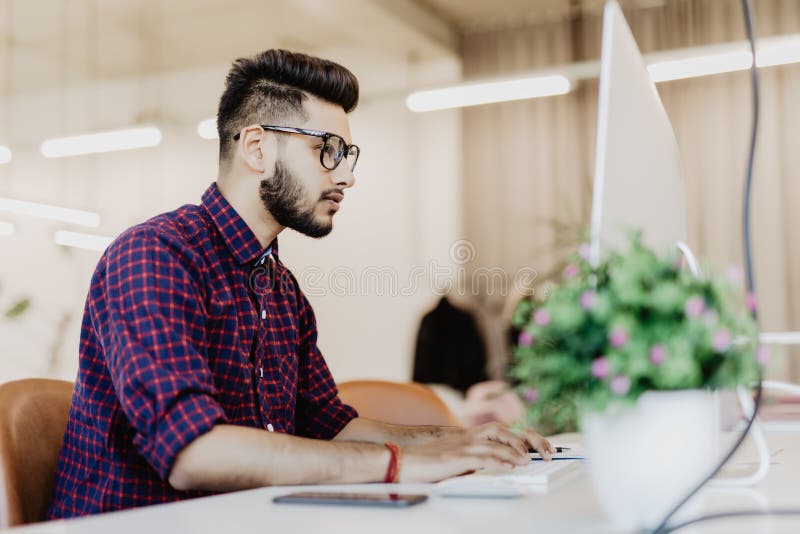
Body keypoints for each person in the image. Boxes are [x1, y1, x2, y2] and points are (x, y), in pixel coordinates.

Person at [46, 49, 555, 519]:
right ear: (257, 147)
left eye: (348, 154)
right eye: (328, 150)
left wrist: (455, 439)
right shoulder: (155, 255)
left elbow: (331, 425)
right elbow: (192, 452)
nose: (345, 176)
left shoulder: (280, 288)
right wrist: (398, 464)